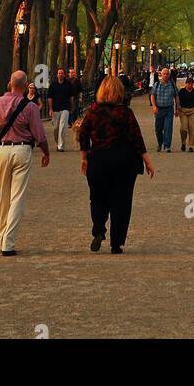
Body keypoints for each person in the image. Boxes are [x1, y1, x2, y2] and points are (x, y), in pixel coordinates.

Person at [78, 74, 154, 253]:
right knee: (122, 202)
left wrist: (84, 157)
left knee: (97, 197)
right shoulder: (125, 113)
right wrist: (147, 161)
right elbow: (137, 138)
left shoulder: (93, 112)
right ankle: (116, 243)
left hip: (98, 159)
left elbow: (83, 134)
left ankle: (98, 228)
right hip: (123, 161)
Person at [0, 70, 50, 255]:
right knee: (17, 197)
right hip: (22, 149)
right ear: (25, 84)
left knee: (3, 196)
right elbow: (39, 135)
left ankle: (1, 235)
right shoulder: (30, 107)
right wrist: (46, 152)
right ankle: (8, 241)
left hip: (3, 150)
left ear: (9, 82)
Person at [149, 65, 179, 153]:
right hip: (159, 109)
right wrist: (154, 106)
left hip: (169, 109)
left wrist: (177, 108)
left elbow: (176, 96)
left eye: (167, 74)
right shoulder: (157, 84)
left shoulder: (172, 85)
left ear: (169, 75)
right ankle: (160, 142)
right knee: (158, 128)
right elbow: (152, 96)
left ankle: (167, 146)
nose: (165, 75)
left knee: (168, 128)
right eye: (164, 74)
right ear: (161, 75)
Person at [46, 67, 75, 151]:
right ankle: (58, 143)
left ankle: (61, 146)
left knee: (63, 127)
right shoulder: (53, 85)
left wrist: (71, 107)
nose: (60, 75)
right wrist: (50, 109)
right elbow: (50, 98)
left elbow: (71, 97)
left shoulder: (68, 84)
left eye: (62, 73)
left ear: (64, 74)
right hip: (55, 109)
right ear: (57, 75)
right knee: (56, 128)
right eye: (59, 73)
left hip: (65, 108)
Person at [177, 75, 194, 151]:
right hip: (183, 111)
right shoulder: (181, 91)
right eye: (188, 83)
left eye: (191, 84)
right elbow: (178, 102)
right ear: (185, 84)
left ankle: (191, 146)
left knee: (192, 129)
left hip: (193, 111)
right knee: (183, 128)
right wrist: (177, 110)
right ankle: (183, 142)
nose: (190, 85)